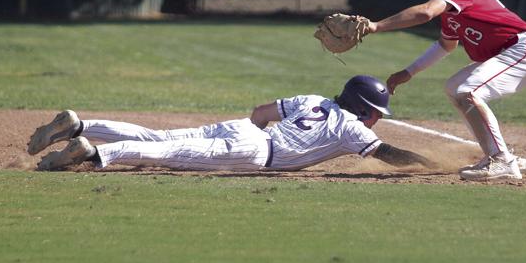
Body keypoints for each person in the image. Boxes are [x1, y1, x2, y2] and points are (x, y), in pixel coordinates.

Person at [366, 0, 526, 181]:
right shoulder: (448, 7)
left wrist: (376, 26)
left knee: (468, 90)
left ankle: (502, 160)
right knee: (455, 88)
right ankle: (500, 155)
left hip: (525, 51)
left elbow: (425, 13)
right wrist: (409, 72)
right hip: (514, 54)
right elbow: (446, 45)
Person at [28, 75, 434, 172]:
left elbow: (259, 112)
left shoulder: (314, 100)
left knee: (160, 136)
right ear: (365, 109)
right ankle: (94, 152)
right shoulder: (354, 129)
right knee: (165, 152)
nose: (379, 120)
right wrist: (431, 163)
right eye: (379, 112)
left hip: (245, 129)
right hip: (257, 152)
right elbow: (388, 154)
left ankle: (80, 125)